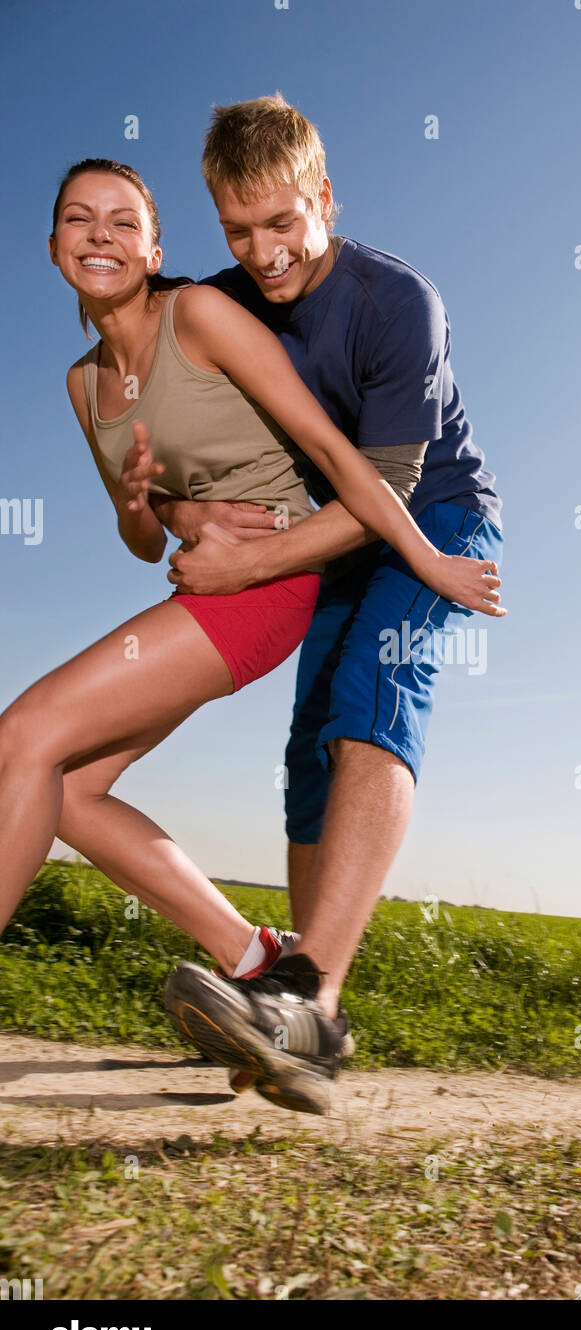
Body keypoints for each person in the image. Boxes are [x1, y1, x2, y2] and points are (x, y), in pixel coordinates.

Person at [0, 159, 502, 1021]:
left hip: (307, 560)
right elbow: (144, 534)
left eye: (124, 222)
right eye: (79, 221)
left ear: (156, 249)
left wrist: (424, 558)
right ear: (51, 249)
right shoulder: (85, 385)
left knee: (23, 736)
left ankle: (311, 996)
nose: (100, 236)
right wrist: (152, 504)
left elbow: (349, 459)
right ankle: (256, 955)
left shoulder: (209, 311)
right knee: (66, 789)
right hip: (221, 581)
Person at [160, 96, 504, 1116]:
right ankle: (293, 1020)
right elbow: (182, 459)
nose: (261, 252)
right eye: (236, 229)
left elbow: (383, 495)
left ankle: (310, 991)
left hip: (431, 522)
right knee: (307, 750)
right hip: (333, 545)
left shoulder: (398, 301)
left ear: (323, 198)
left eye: (280, 222)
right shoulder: (220, 307)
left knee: (370, 695)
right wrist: (187, 510)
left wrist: (238, 572)